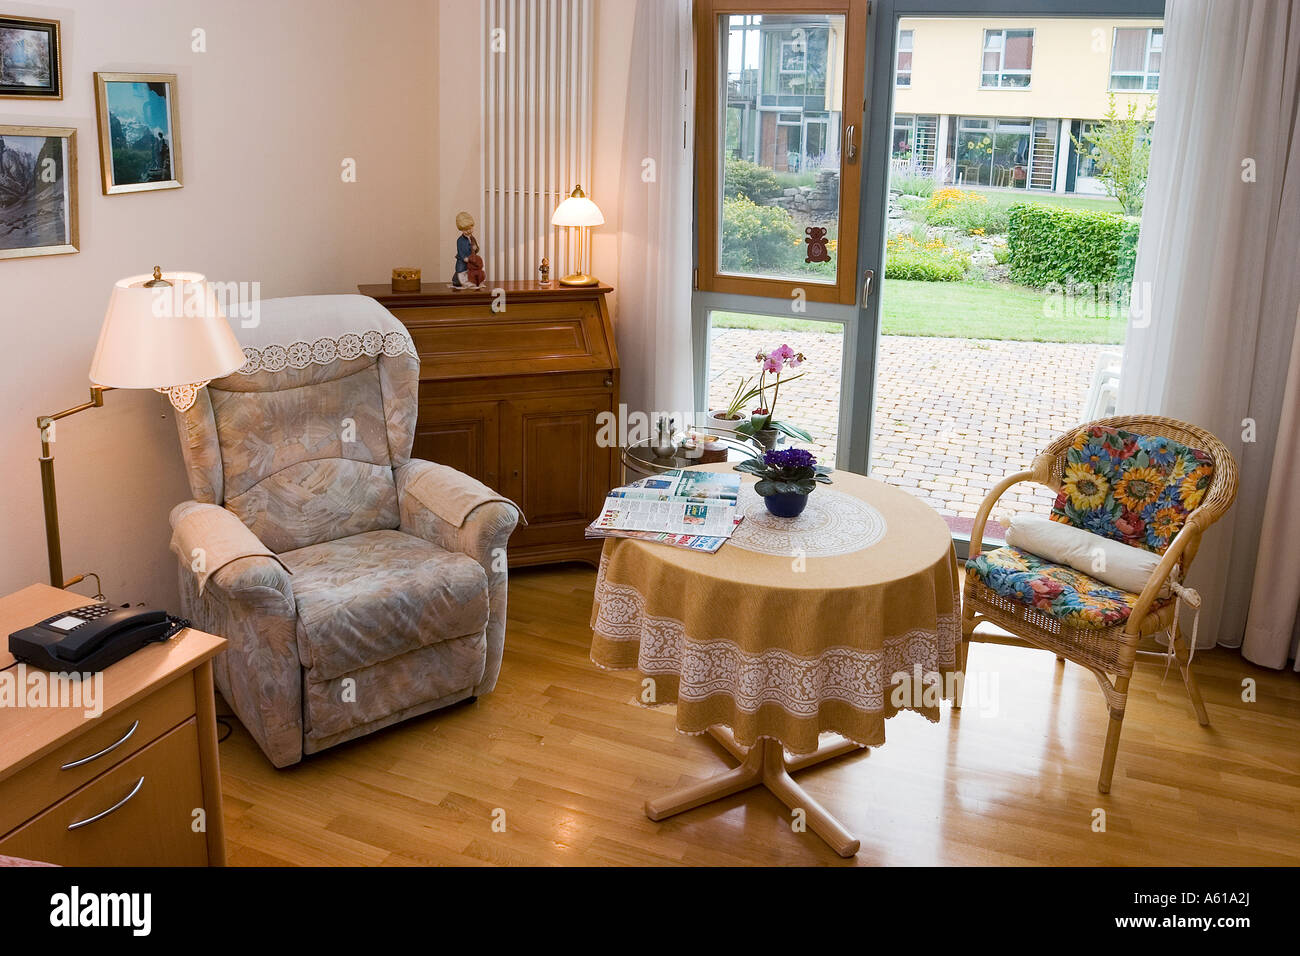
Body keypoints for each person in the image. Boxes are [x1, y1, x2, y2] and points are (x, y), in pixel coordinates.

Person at [451, 211, 483, 289]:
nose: (469, 231)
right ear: (461, 230)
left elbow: (476, 249)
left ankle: (471, 281)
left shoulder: (472, 238)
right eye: (466, 230)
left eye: (470, 228)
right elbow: (460, 251)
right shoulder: (460, 240)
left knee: (470, 271)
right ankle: (456, 281)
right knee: (461, 271)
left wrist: (476, 249)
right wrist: (464, 258)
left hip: (471, 259)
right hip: (463, 260)